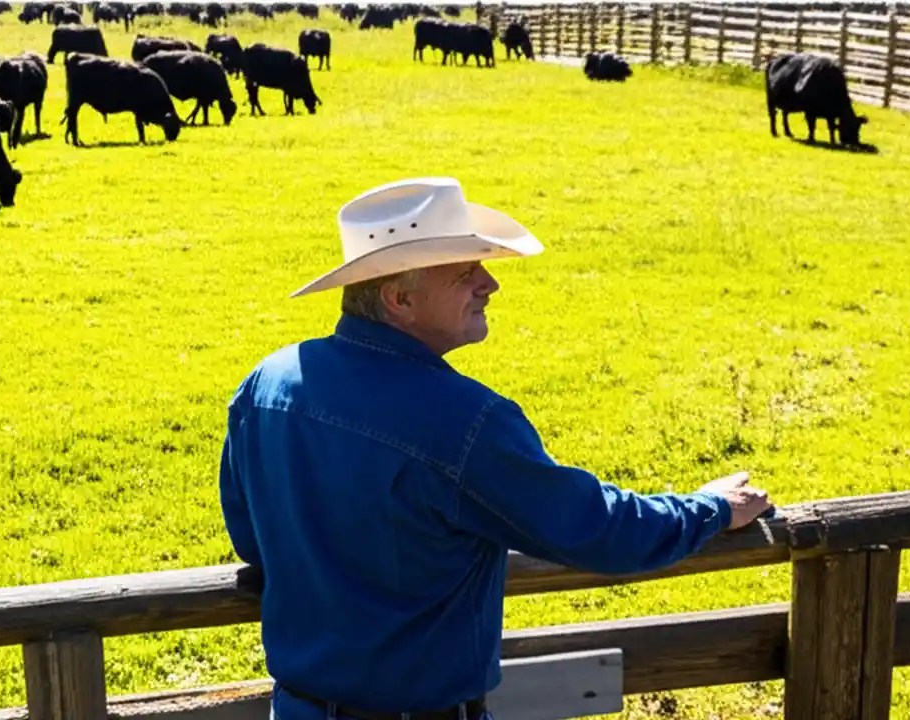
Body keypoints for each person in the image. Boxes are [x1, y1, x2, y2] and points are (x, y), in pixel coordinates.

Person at [218, 177, 773, 720]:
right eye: (465, 272)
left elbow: (252, 540)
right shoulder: (465, 421)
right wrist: (712, 508)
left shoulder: (266, 385)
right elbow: (599, 531)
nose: (490, 283)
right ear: (399, 297)